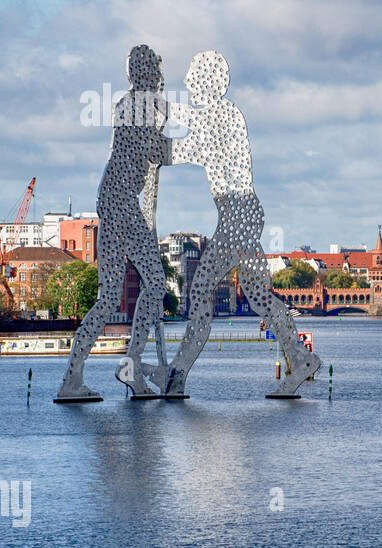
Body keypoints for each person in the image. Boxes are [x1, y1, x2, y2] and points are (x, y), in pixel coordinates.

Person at [151, 51, 320, 396]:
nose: (188, 83)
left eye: (194, 78)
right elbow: (189, 140)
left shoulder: (222, 114)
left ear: (211, 83)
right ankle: (301, 358)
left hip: (237, 213)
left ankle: (177, 375)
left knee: (199, 292)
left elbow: (185, 146)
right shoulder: (220, 116)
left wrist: (151, 113)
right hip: (241, 212)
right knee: (259, 296)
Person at [56, 46, 171, 401]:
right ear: (146, 73)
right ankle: (131, 365)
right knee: (155, 282)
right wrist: (167, 125)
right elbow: (160, 153)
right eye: (156, 69)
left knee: (108, 298)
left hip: (113, 200)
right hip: (121, 203)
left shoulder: (131, 105)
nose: (160, 77)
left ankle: (72, 379)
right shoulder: (137, 106)